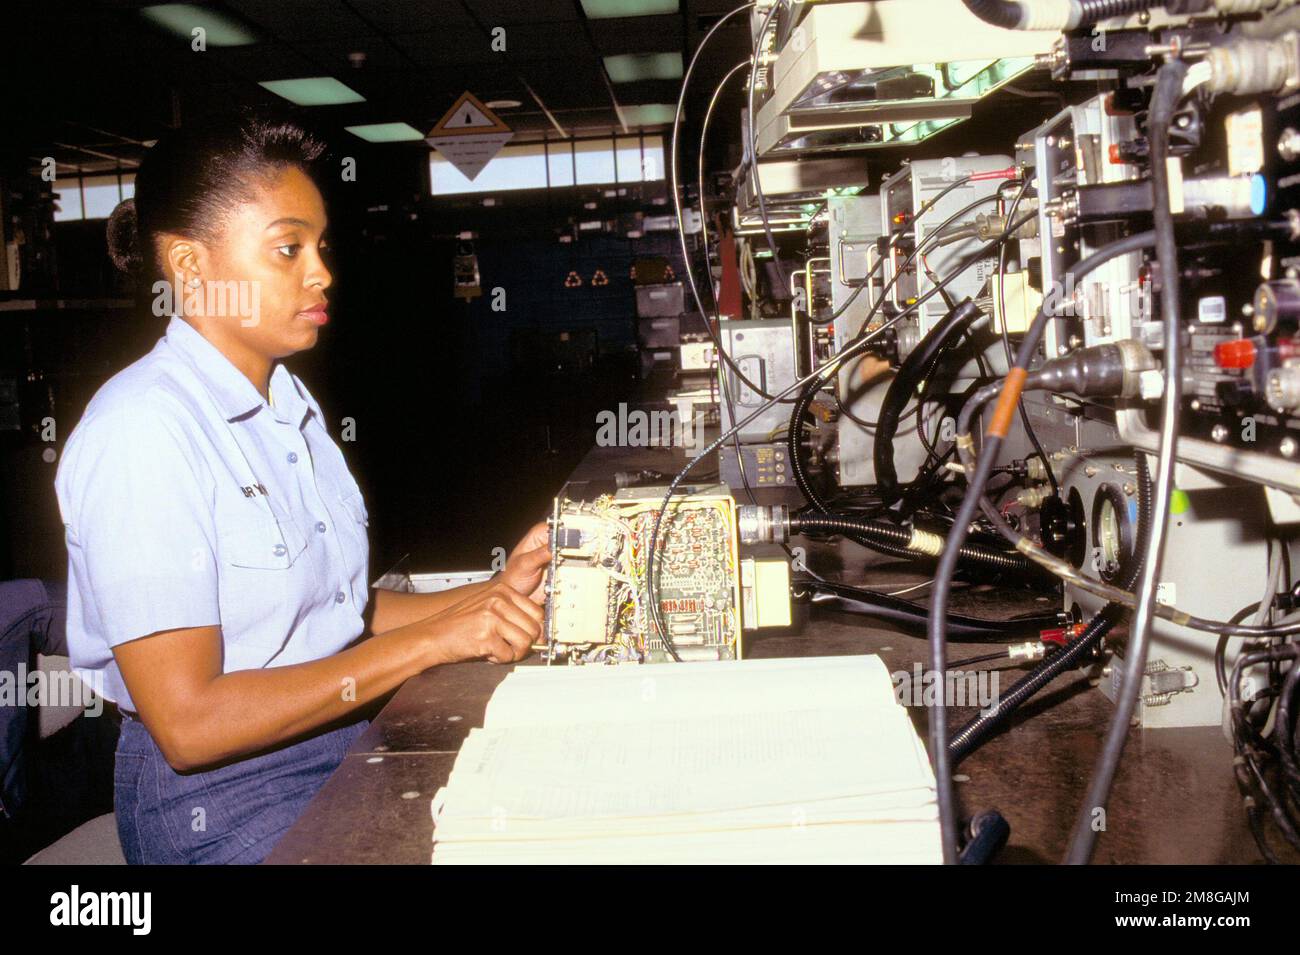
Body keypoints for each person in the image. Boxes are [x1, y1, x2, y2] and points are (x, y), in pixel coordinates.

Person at [54, 112, 549, 864]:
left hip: (341, 743)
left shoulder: (289, 408)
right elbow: (189, 724)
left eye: (319, 247)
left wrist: (488, 594)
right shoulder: (143, 431)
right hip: (219, 800)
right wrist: (434, 641)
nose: (321, 273)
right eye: (288, 249)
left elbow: (331, 608)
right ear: (191, 266)